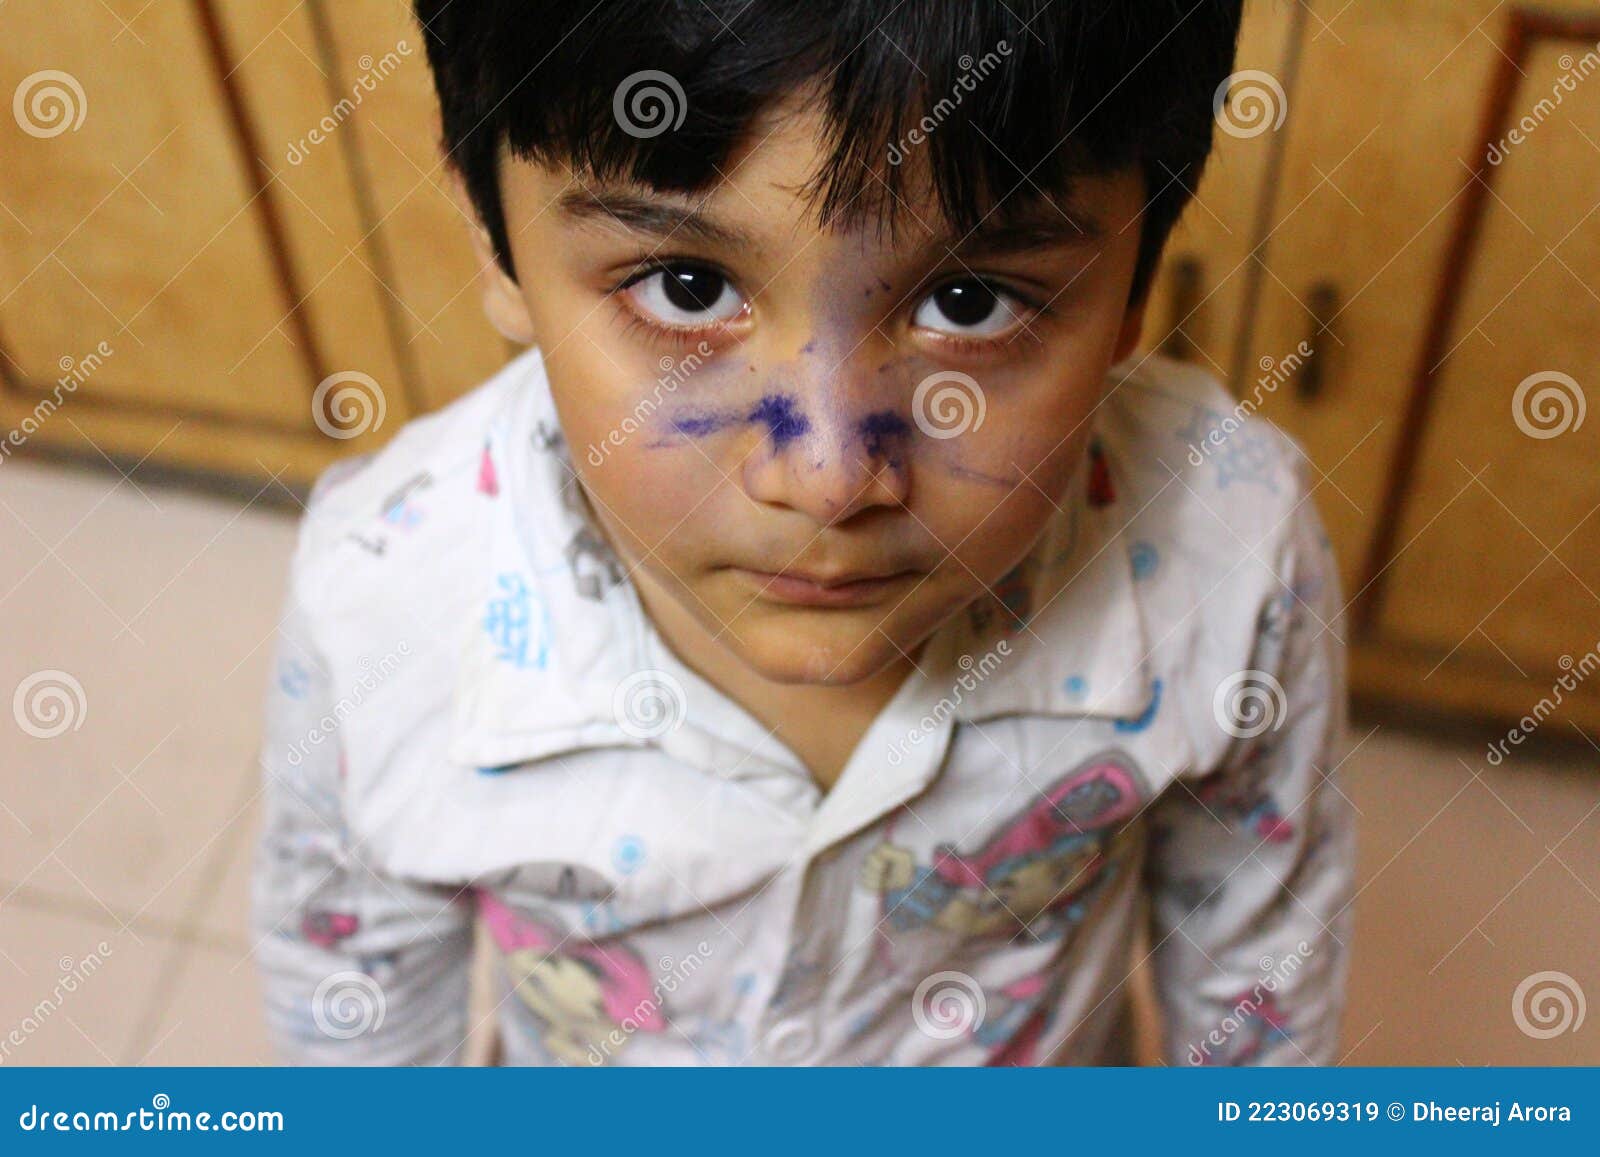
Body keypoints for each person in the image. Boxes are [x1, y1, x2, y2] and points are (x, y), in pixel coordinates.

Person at [253, 0, 1355, 1066]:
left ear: (1137, 280)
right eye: (687, 287)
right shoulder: (383, 593)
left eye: (970, 301)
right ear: (494, 241)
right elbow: (352, 1005)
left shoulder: (1233, 545)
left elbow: (1259, 979)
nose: (829, 478)